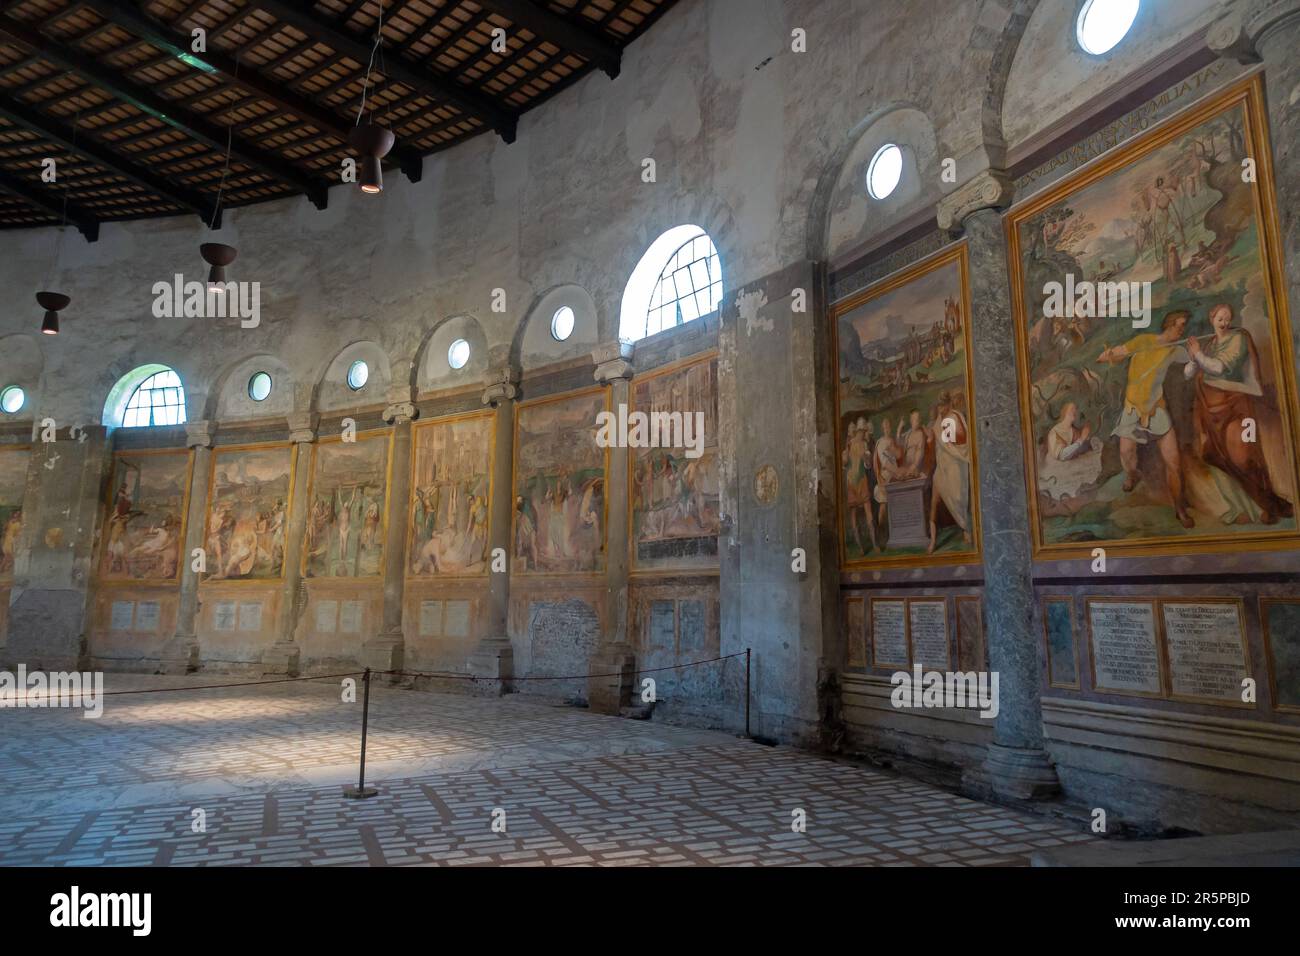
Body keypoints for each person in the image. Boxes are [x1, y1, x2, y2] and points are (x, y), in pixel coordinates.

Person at [1185, 303, 1294, 523]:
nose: (1224, 323)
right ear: (1211, 318)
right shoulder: (1208, 344)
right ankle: (1248, 507)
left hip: (1235, 406)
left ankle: (1270, 504)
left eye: (1227, 318)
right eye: (1220, 319)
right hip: (1210, 409)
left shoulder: (1238, 338)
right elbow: (1189, 373)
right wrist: (1193, 357)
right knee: (1213, 455)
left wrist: (1198, 355)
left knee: (1245, 457)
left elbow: (1218, 368)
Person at [1097, 309, 1194, 528]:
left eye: (1183, 327)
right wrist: (1109, 355)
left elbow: (1192, 360)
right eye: (1179, 325)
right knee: (1126, 453)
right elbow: (1121, 351)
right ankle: (1131, 475)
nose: (1181, 330)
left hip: (1156, 410)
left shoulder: (1175, 351)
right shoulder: (1144, 341)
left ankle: (1179, 508)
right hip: (1132, 410)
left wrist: (1195, 353)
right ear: (1169, 325)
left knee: (1174, 462)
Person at [929, 393, 972, 553]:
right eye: (939, 406)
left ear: (948, 405)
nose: (940, 409)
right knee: (934, 502)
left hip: (955, 465)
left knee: (958, 498)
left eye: (943, 406)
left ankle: (965, 528)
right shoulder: (937, 423)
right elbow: (935, 444)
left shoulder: (955, 416)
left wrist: (949, 440)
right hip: (942, 468)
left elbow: (962, 440)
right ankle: (933, 541)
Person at [842, 418, 877, 555]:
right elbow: (844, 463)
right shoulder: (849, 444)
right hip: (851, 482)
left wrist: (866, 458)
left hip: (862, 481)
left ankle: (874, 545)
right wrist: (845, 458)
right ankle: (861, 548)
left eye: (864, 431)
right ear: (858, 431)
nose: (863, 433)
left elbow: (868, 466)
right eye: (862, 431)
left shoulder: (864, 444)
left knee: (869, 514)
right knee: (854, 516)